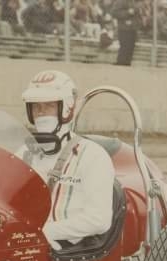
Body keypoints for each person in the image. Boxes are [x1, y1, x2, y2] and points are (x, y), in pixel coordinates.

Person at [19, 71, 116, 251]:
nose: (41, 113)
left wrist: (45, 231)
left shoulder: (92, 155)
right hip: (24, 244)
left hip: (68, 250)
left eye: (48, 106)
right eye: (36, 107)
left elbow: (99, 219)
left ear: (66, 108)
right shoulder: (24, 152)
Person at [112, 0, 140, 65]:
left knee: (131, 46)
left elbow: (137, 15)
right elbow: (114, 13)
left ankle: (127, 62)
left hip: (133, 28)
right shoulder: (120, 1)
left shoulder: (134, 2)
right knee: (124, 46)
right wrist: (128, 12)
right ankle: (121, 62)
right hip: (124, 28)